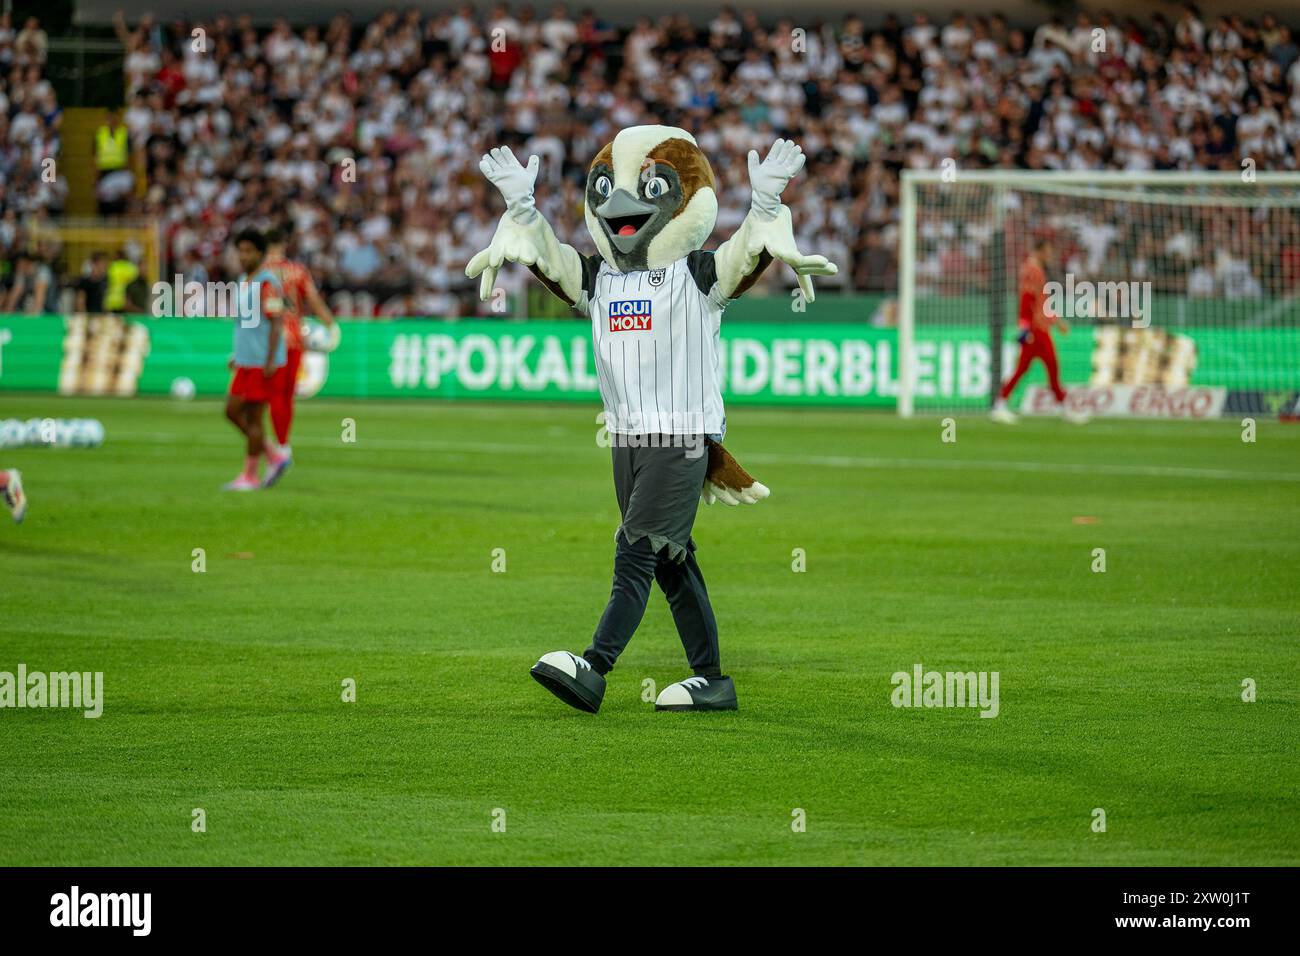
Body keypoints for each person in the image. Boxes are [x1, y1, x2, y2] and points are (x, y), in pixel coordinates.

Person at [263, 227, 337, 473]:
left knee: (273, 396)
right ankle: (284, 447)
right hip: (296, 339)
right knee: (286, 395)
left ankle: (280, 447)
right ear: (284, 244)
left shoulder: (259, 272)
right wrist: (331, 324)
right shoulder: (297, 270)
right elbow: (313, 300)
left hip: (271, 340)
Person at [991, 237, 1086, 424]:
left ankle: (1001, 404)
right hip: (1036, 330)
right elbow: (1027, 301)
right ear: (1040, 250)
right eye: (1049, 251)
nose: (1050, 256)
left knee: (1029, 368)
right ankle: (1062, 407)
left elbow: (1039, 302)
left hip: (1038, 327)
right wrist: (1025, 328)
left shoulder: (1034, 270)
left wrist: (1056, 321)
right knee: (1050, 365)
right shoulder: (1032, 271)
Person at [223, 229, 289, 491]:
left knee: (252, 418)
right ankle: (274, 455)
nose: (243, 255)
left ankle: (250, 475)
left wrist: (271, 360)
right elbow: (245, 323)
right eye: (240, 250)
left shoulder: (267, 283)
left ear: (260, 254)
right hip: (246, 360)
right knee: (232, 412)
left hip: (262, 362)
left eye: (249, 250)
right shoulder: (243, 280)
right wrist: (236, 355)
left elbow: (276, 323)